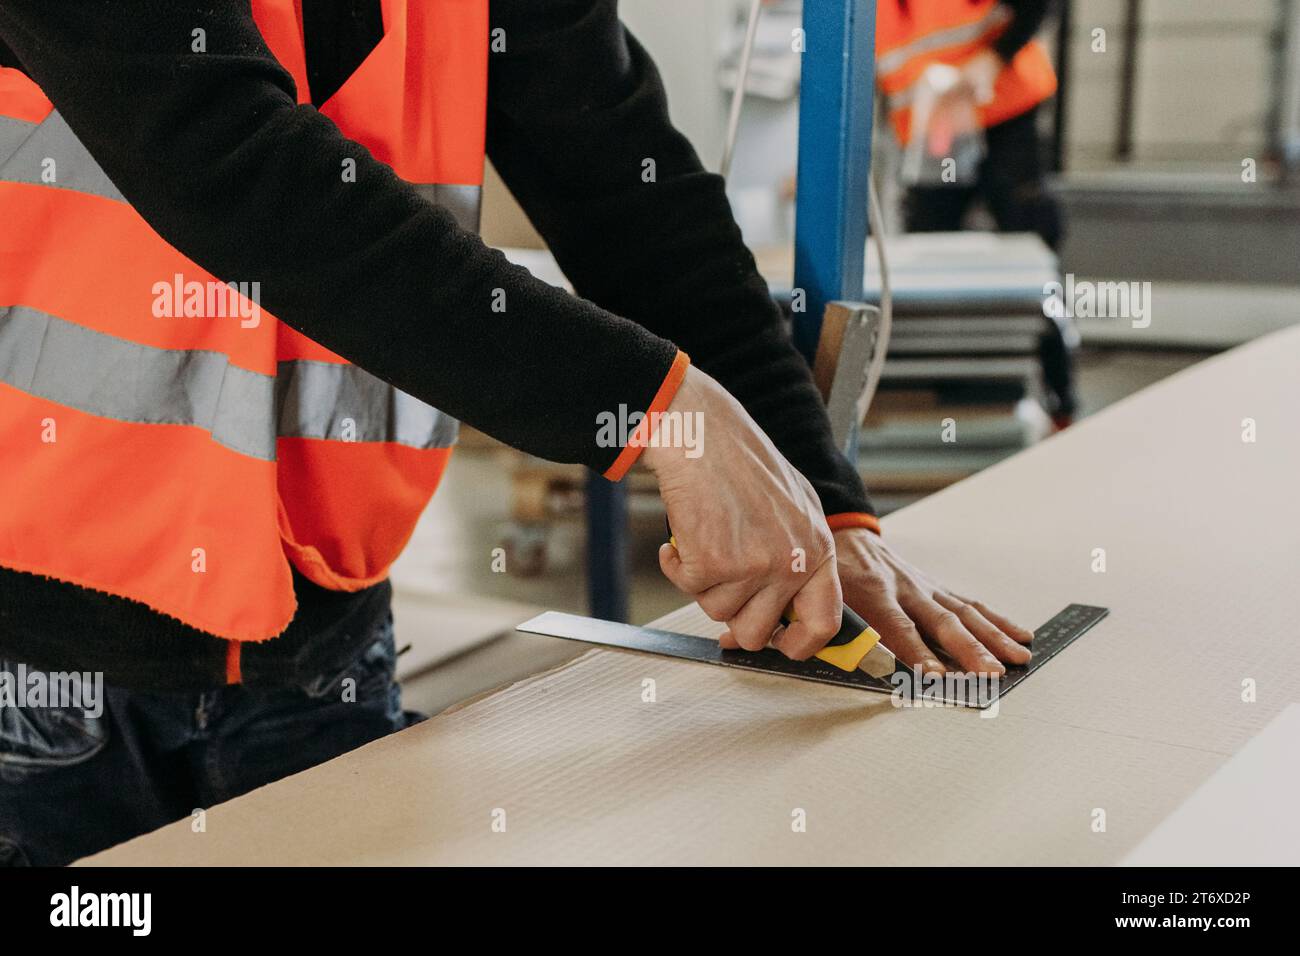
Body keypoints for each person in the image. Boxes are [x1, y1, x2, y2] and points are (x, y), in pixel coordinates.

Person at [0, 0, 1033, 867]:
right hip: (38, 656)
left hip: (322, 637)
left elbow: (628, 193)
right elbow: (225, 157)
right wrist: (661, 408)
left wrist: (821, 496)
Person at [878, 0, 1064, 250]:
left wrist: (995, 57)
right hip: (931, 132)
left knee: (1023, 217)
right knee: (929, 234)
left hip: (1003, 110)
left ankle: (1039, 284)